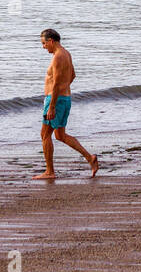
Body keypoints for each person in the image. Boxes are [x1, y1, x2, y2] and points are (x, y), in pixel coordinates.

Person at [35, 29, 98, 180]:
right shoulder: (67, 54)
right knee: (60, 135)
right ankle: (90, 158)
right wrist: (63, 90)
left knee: (45, 134)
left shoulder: (57, 57)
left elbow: (56, 83)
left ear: (51, 41)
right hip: (65, 98)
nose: (43, 47)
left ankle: (49, 172)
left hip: (55, 100)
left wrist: (52, 106)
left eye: (44, 43)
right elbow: (73, 75)